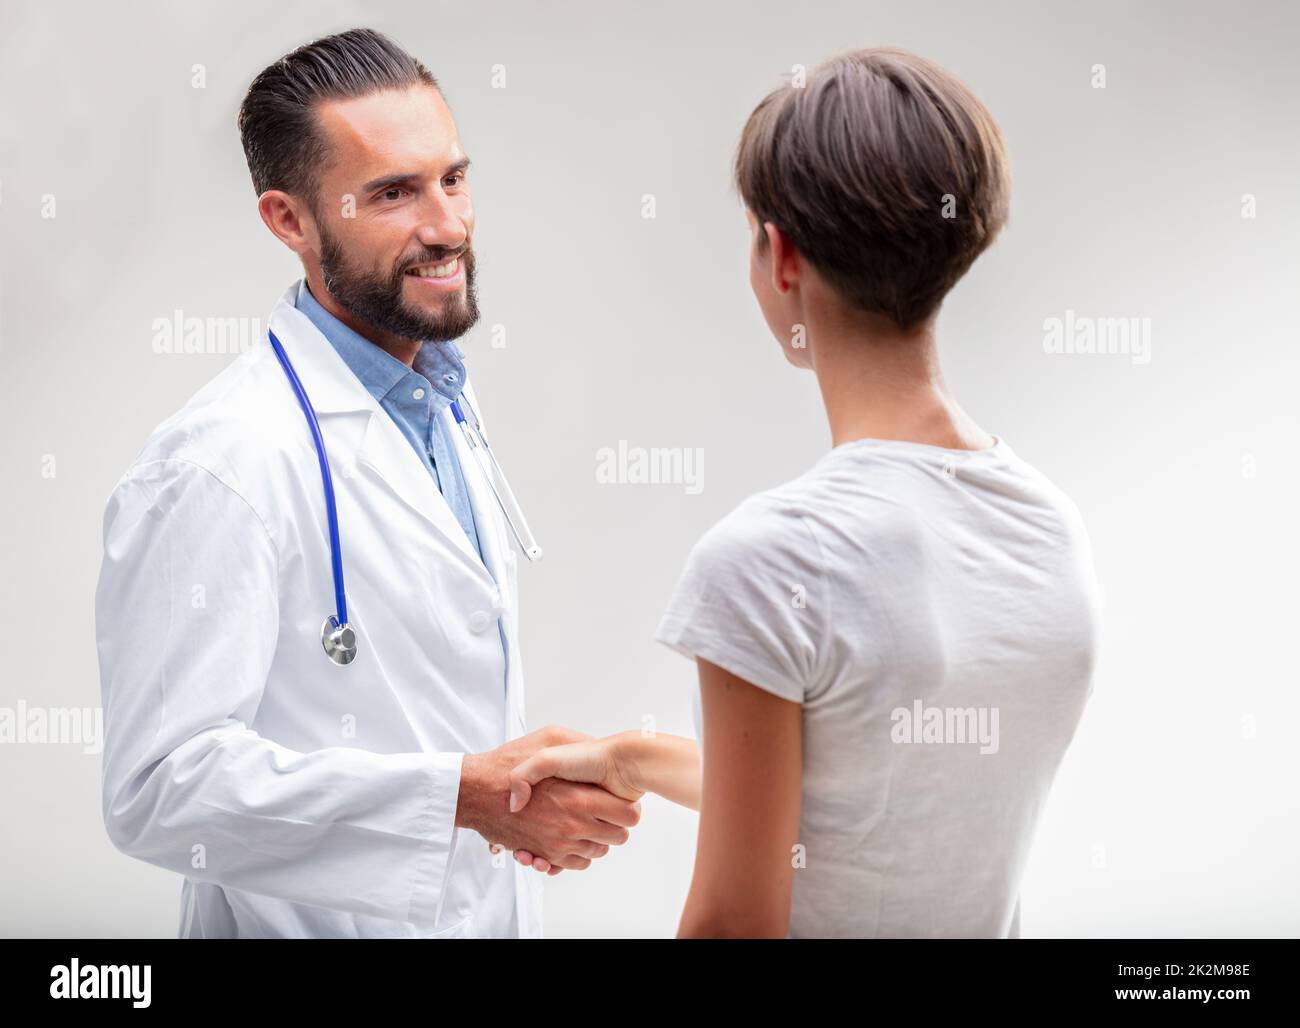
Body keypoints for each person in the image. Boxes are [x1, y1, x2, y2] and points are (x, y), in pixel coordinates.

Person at [506, 47, 1100, 939]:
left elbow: (733, 925)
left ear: (780, 255)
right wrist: (634, 759)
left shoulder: (770, 558)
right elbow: (871, 796)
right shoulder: (1048, 525)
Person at [93, 28, 638, 940]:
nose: (448, 226)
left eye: (453, 179)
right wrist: (460, 797)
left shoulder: (438, 402)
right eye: (392, 193)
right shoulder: (219, 463)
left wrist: (502, 787)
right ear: (289, 220)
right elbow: (157, 793)